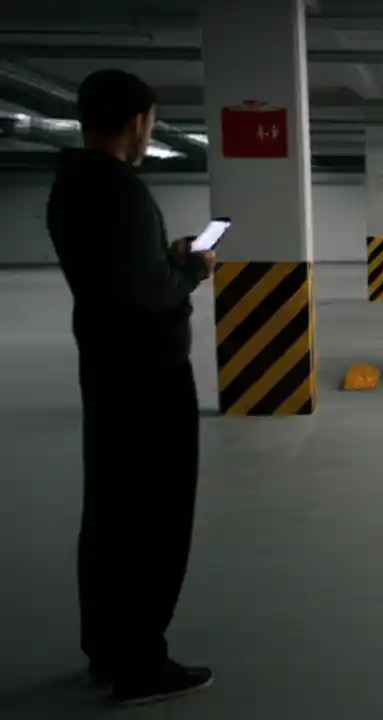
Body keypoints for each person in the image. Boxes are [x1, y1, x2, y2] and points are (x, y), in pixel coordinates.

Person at [46, 69, 216, 706]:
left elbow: (123, 279)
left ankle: (107, 647)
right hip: (150, 378)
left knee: (112, 512)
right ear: (138, 120)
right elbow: (149, 298)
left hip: (107, 366)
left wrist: (162, 261)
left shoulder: (71, 185)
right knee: (156, 520)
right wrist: (193, 270)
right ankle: (142, 661)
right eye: (150, 121)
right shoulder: (119, 190)